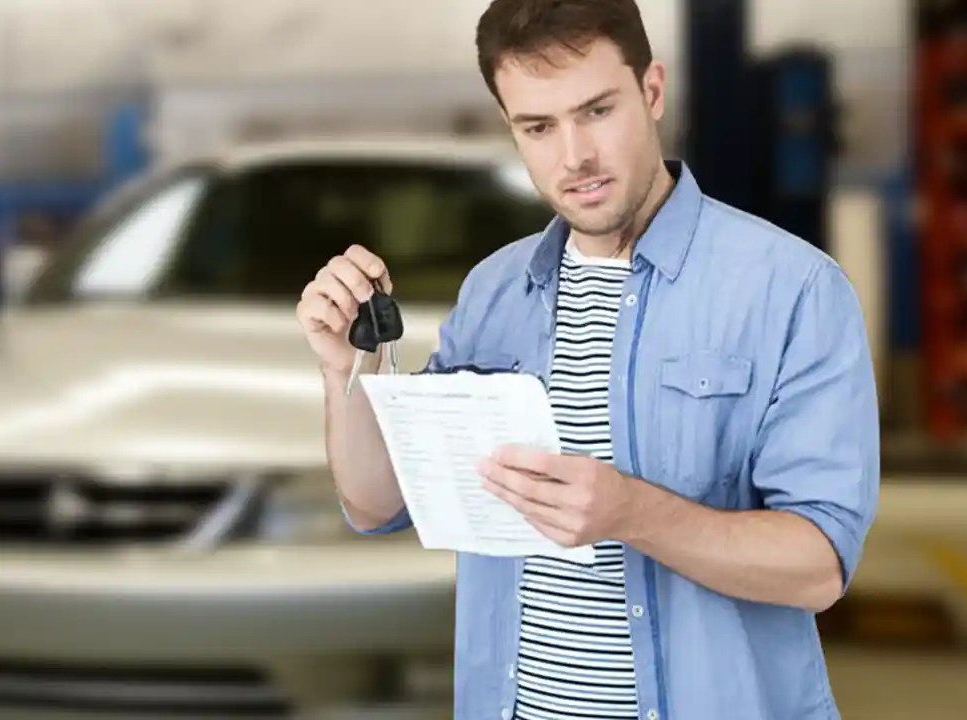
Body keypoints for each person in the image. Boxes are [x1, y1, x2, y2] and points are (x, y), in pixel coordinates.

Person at [294, 1, 879, 718]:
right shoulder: (494, 293)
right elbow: (377, 502)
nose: (573, 156)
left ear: (652, 92)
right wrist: (344, 373)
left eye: (596, 111)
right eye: (537, 127)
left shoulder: (791, 288)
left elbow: (819, 565)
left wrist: (632, 513)